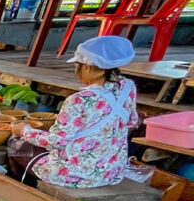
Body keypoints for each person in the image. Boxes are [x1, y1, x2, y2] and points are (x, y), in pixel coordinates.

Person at [18, 35, 139, 188]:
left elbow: (58, 141)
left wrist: (24, 131)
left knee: (17, 145)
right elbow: (132, 121)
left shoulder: (77, 100)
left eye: (77, 66)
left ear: (87, 66)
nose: (76, 71)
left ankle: (26, 188)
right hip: (112, 172)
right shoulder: (128, 86)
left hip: (78, 176)